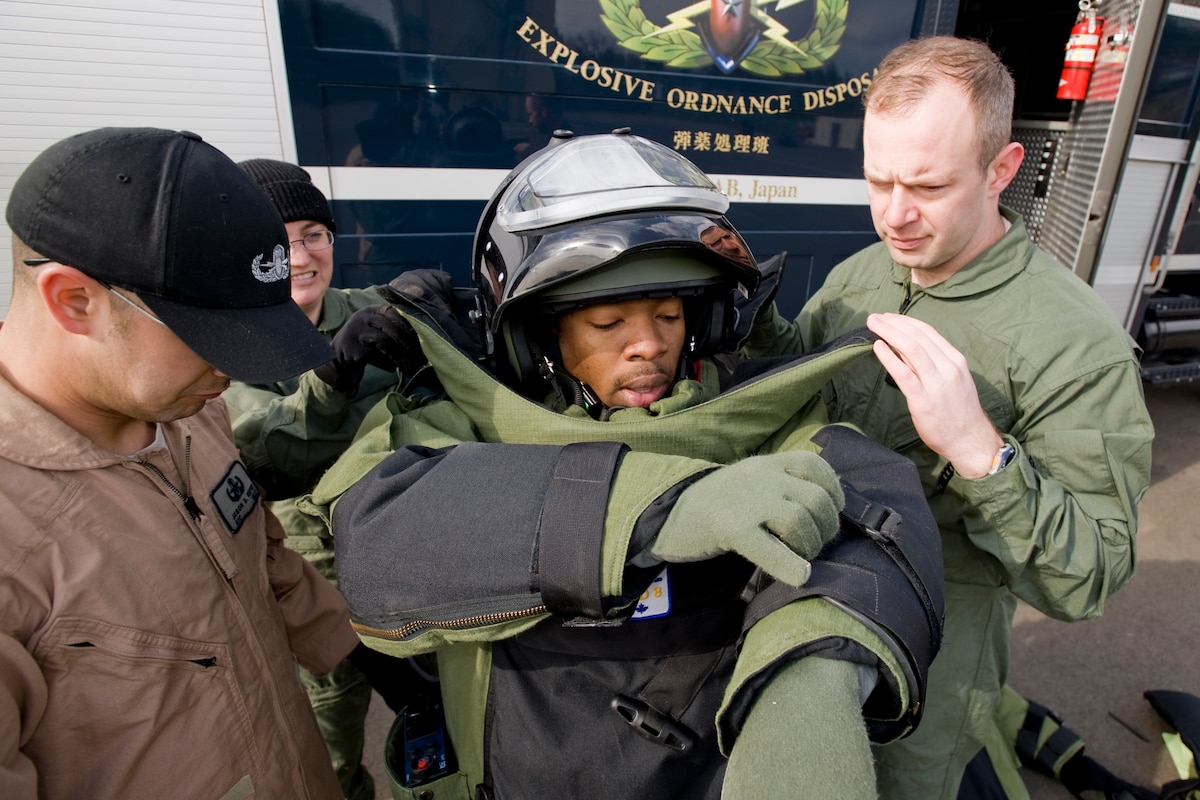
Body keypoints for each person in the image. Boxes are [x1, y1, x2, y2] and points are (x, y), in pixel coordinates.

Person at [300, 130, 946, 799]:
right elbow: (378, 536)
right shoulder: (468, 421)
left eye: (669, 314)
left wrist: (815, 676)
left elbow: (869, 510)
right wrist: (651, 507)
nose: (648, 346)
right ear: (540, 339)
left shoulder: (765, 418)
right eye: (608, 323)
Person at [741, 36, 1155, 799]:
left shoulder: (1076, 347)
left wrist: (978, 450)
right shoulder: (864, 272)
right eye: (878, 180)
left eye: (928, 187)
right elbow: (795, 386)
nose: (895, 216)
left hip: (930, 664)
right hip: (805, 601)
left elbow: (1087, 578)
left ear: (1002, 170)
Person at [0, 127, 363, 798]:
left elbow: (260, 553)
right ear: (74, 300)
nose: (232, 371)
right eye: (210, 336)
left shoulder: (190, 411)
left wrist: (353, 647)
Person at [226, 158, 429, 800]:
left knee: (444, 721)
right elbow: (260, 454)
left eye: (313, 233)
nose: (302, 255)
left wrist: (445, 316)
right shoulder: (230, 346)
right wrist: (334, 376)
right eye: (280, 241)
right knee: (327, 748)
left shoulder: (374, 310)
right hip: (310, 582)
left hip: (408, 565)